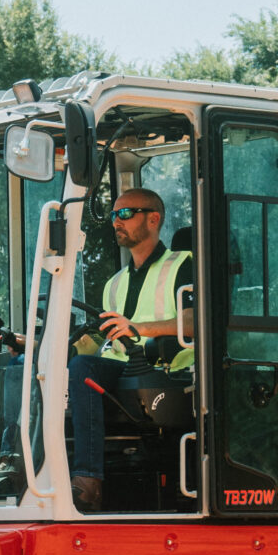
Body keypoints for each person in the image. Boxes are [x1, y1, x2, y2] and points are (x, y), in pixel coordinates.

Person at [68, 189, 192, 512]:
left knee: (82, 369)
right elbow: (97, 341)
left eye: (125, 214)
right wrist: (44, 347)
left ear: (153, 219)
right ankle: (16, 467)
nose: (116, 222)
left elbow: (195, 323)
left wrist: (138, 328)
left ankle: (88, 480)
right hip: (120, 367)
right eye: (113, 215)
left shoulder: (183, 265)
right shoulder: (115, 282)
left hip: (165, 370)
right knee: (36, 366)